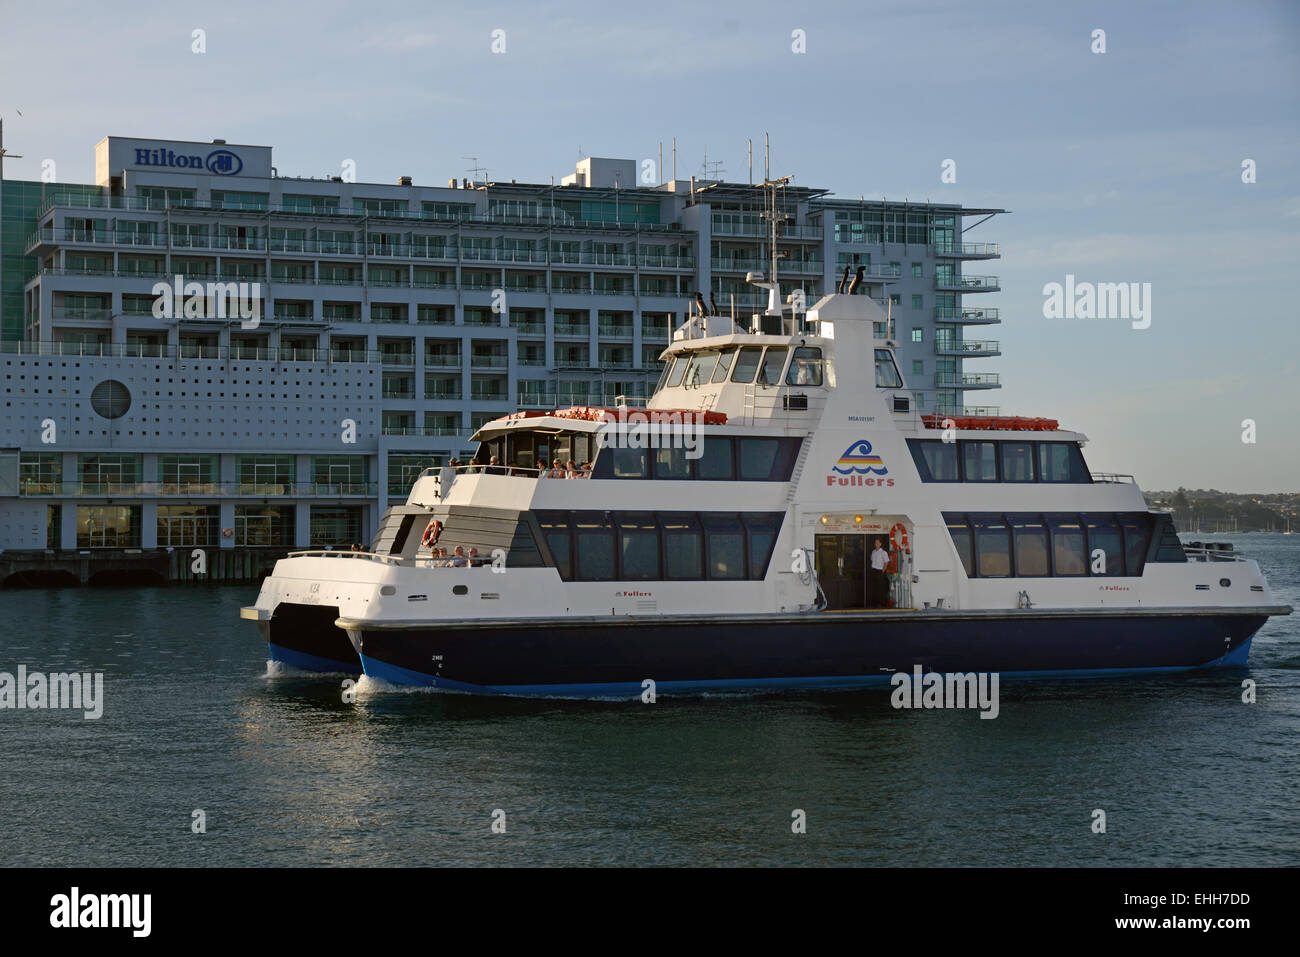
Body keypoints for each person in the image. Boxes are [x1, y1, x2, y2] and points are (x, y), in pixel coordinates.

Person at [869, 538, 890, 608]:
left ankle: (881, 603)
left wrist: (882, 571)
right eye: (875, 543)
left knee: (881, 588)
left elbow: (886, 562)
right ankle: (875, 602)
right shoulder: (873, 552)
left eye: (878, 543)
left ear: (880, 544)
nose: (876, 544)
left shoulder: (883, 552)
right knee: (874, 588)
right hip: (874, 571)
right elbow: (872, 560)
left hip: (880, 571)